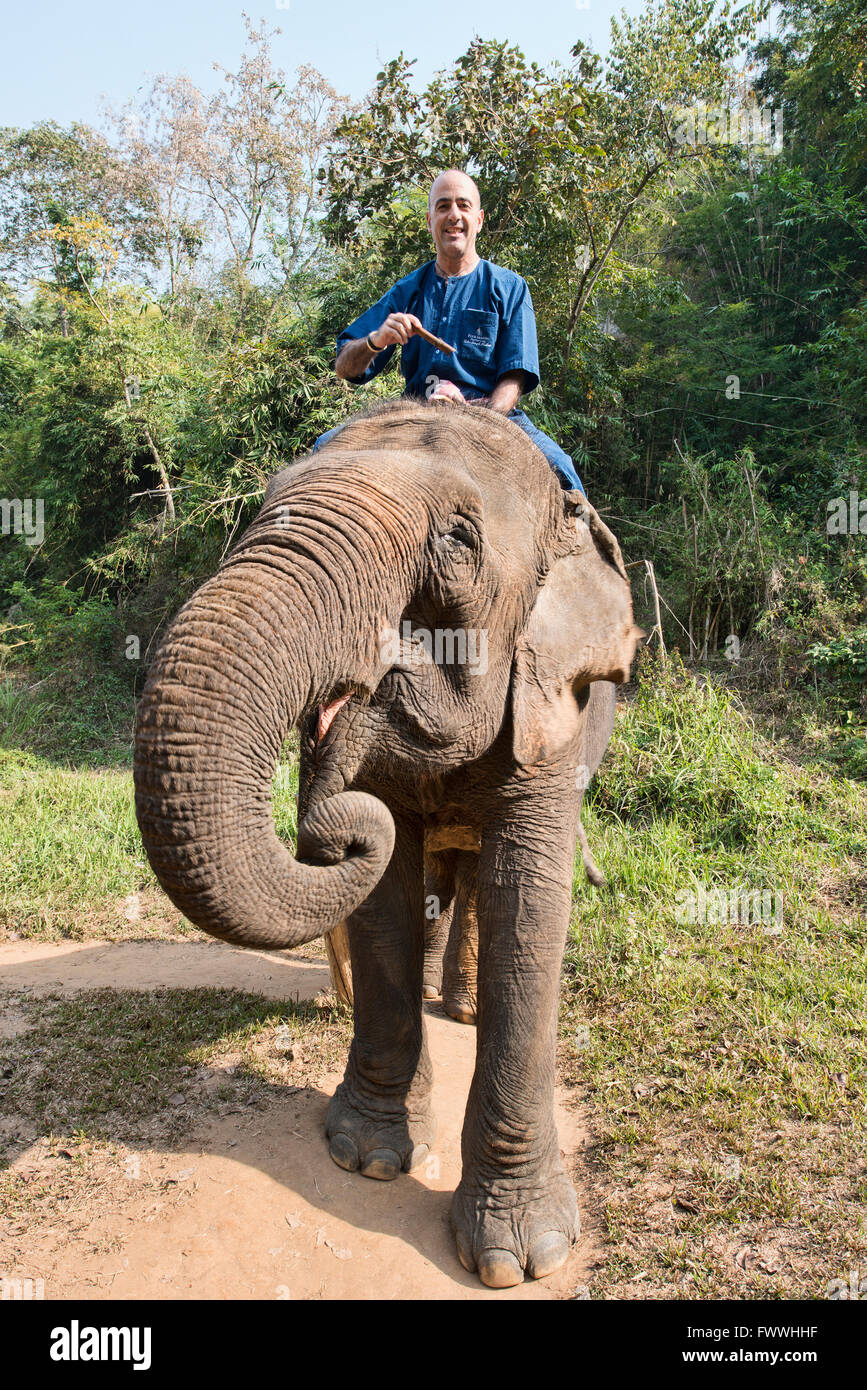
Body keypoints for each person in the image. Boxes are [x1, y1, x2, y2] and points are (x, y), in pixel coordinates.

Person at [313, 168, 585, 494]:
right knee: (325, 446)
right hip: (415, 413)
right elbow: (344, 366)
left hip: (489, 415)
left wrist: (477, 420)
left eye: (463, 205)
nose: (453, 215)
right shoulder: (408, 291)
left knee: (565, 472)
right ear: (430, 221)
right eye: (443, 206)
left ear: (479, 219)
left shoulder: (510, 288)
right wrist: (376, 340)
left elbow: (514, 379)